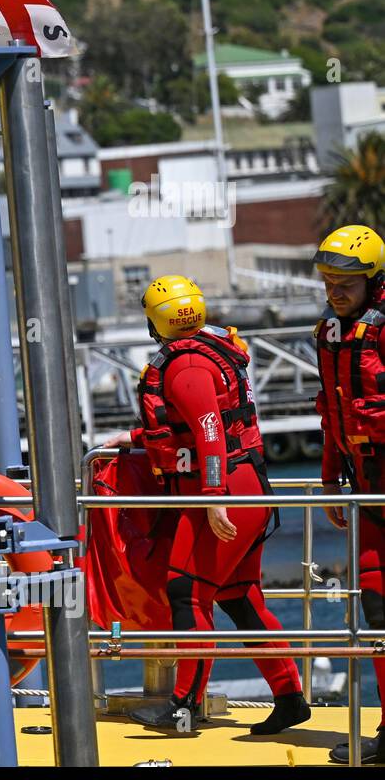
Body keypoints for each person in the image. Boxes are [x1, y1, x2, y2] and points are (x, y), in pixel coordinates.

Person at [107, 275, 308, 734]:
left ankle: (184, 707)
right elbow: (198, 425)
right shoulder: (207, 352)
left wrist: (213, 499)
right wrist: (137, 438)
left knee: (187, 592)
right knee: (239, 597)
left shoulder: (185, 365)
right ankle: (289, 696)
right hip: (246, 486)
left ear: (156, 321)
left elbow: (210, 432)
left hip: (224, 493)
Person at [310, 225, 385, 764]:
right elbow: (331, 412)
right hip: (366, 487)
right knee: (377, 607)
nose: (336, 290)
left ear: (373, 280)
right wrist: (331, 477)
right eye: (330, 280)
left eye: (347, 281)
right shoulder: (329, 334)